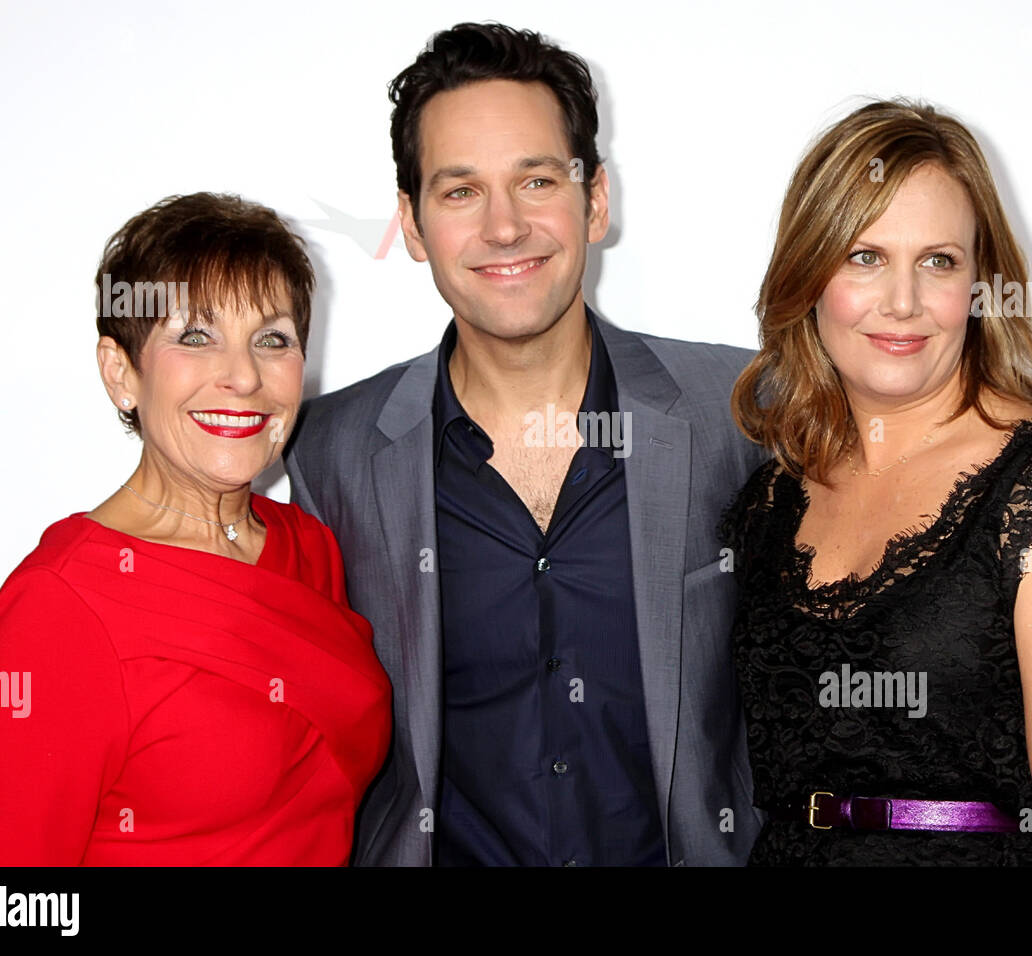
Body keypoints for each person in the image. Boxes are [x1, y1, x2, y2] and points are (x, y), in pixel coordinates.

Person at [285, 22, 765, 866]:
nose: (505, 228)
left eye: (536, 179)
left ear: (597, 201)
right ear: (412, 221)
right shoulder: (330, 453)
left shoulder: (741, 414)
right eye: (461, 191)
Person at [722, 99, 1032, 866]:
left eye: (939, 261)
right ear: (809, 272)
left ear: (981, 286)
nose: (903, 301)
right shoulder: (772, 498)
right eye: (864, 256)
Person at [0, 193, 391, 865]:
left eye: (272, 339)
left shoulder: (310, 546)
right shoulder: (57, 609)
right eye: (196, 337)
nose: (245, 377)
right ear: (121, 372)